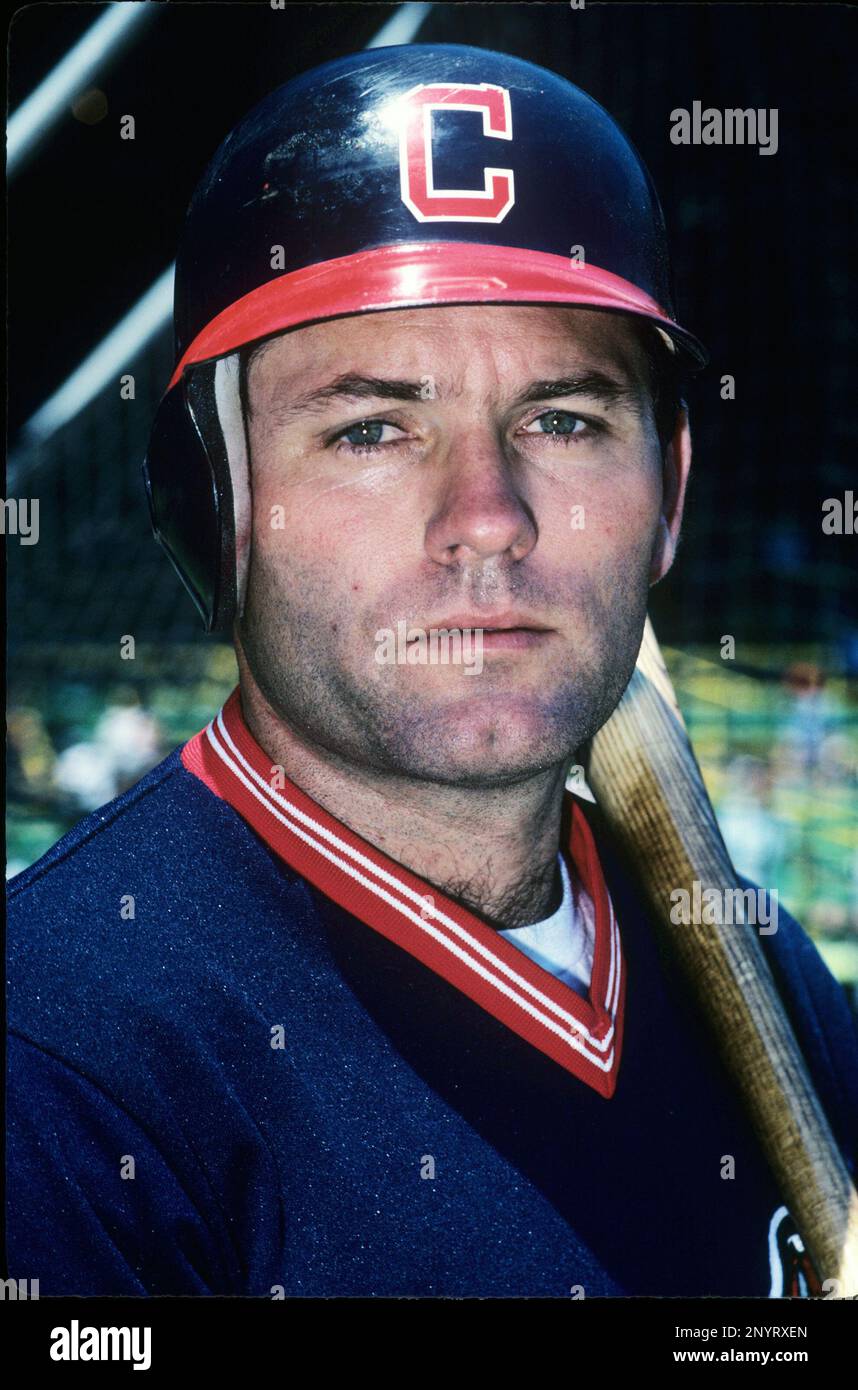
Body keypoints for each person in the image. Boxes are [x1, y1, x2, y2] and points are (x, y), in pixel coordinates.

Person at [7, 43, 857, 1298]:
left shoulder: (767, 976)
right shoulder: (55, 1070)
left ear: (670, 491)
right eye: (372, 429)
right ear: (213, 507)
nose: (488, 515)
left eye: (563, 419)